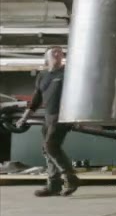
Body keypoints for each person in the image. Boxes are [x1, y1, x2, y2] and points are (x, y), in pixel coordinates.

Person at [17, 47, 79, 197]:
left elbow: (78, 93)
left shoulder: (68, 73)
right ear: (47, 58)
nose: (58, 54)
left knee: (50, 145)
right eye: (54, 52)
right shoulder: (42, 75)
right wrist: (24, 117)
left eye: (60, 52)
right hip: (48, 116)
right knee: (47, 150)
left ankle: (70, 177)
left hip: (63, 115)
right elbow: (37, 99)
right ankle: (54, 185)